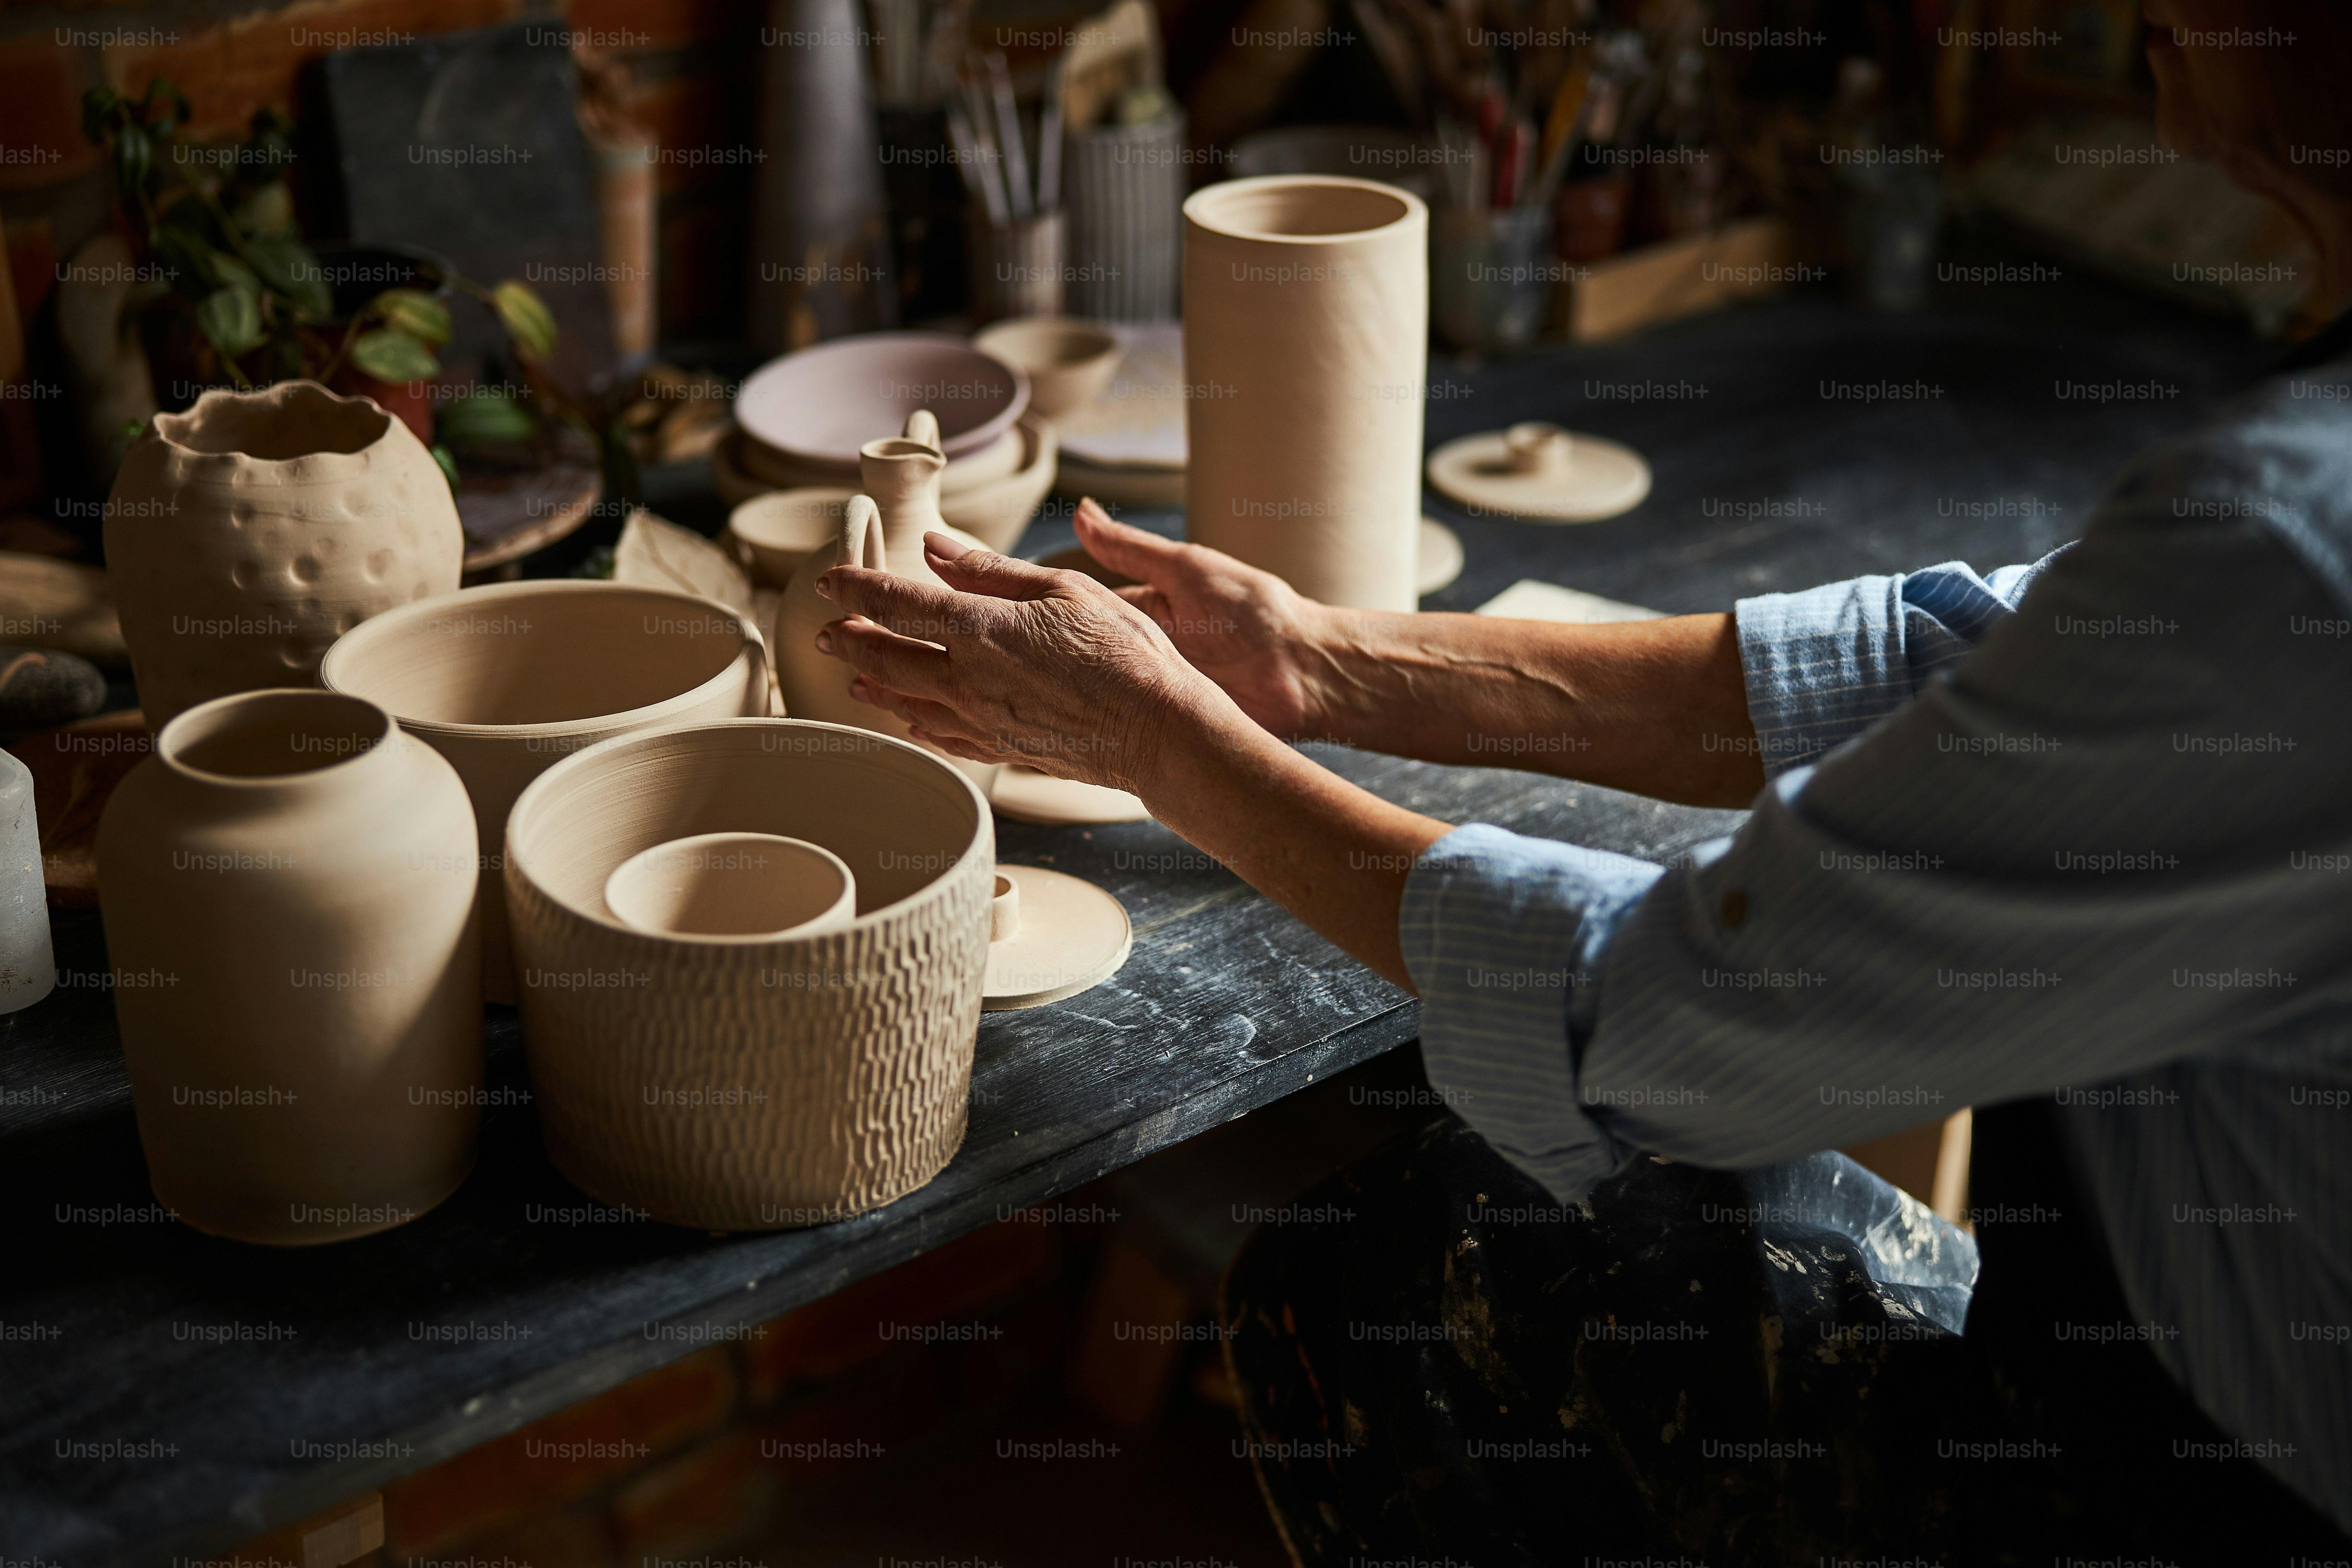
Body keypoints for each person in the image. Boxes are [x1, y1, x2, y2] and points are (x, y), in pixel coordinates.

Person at [809, 0, 2352, 1556]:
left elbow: (1682, 1023)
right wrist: (1316, 657)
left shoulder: (2285, 535)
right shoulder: (2285, 507)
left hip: (2214, 1490)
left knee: (1380, 1271)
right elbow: (1949, 653)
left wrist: (1162, 745)